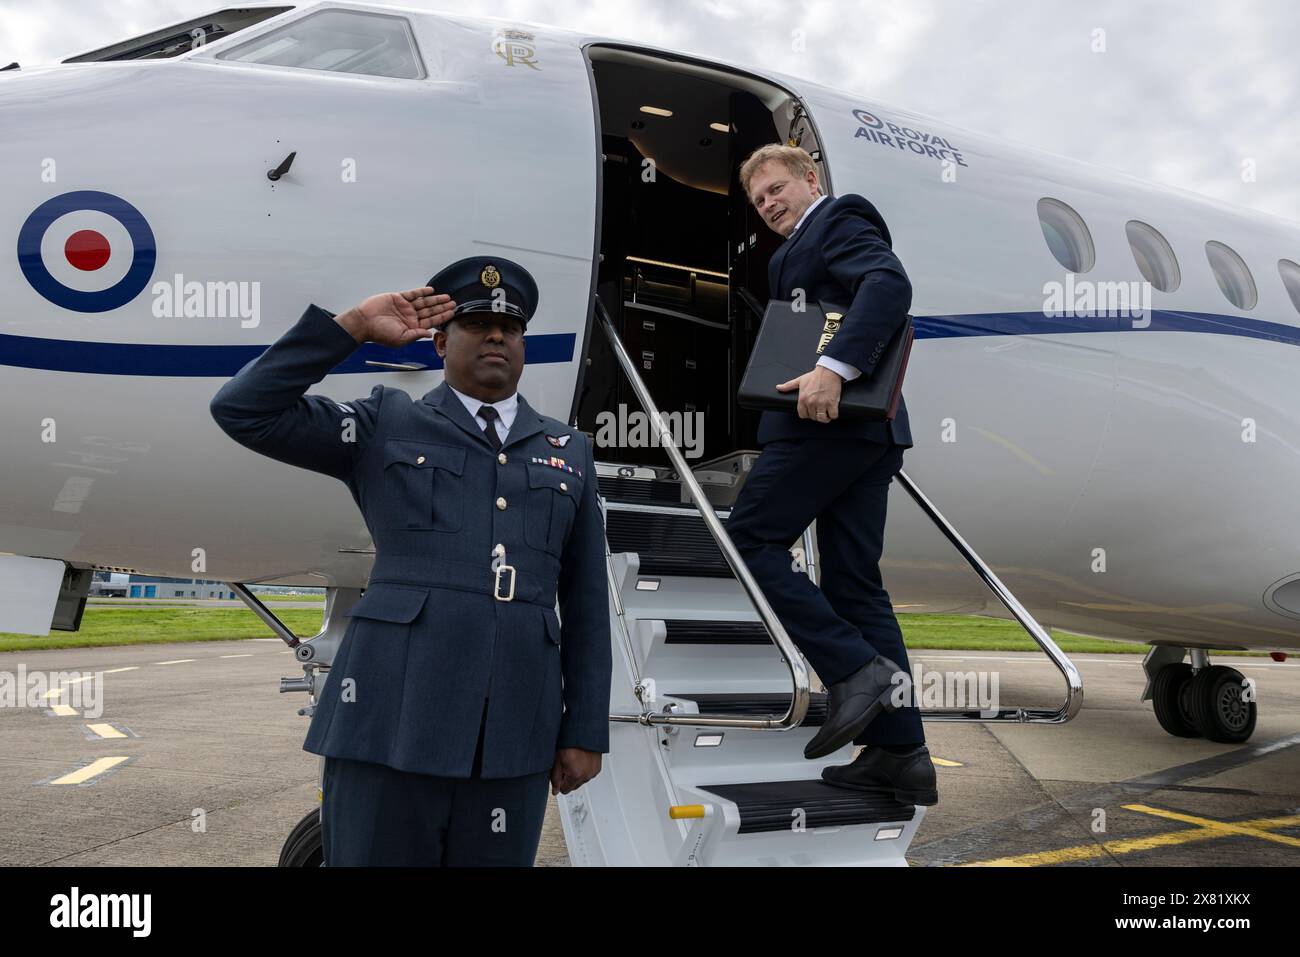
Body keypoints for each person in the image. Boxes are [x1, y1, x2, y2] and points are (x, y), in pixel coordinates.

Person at [209, 257, 612, 863]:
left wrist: (583, 729)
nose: (497, 336)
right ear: (441, 341)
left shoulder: (567, 449)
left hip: (511, 737)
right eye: (477, 324)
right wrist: (351, 328)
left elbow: (584, 602)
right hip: (388, 725)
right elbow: (244, 409)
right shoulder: (385, 423)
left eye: (511, 328)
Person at [726, 144, 936, 805]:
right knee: (855, 585)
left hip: (829, 423)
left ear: (810, 179)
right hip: (866, 436)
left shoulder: (839, 216)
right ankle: (902, 753)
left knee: (750, 537)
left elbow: (889, 285)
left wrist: (834, 367)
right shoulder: (792, 248)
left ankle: (852, 670)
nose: (769, 205)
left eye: (778, 188)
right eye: (759, 201)